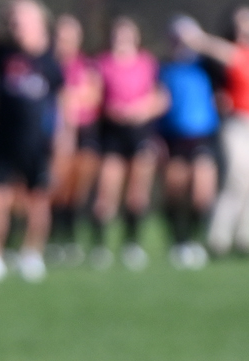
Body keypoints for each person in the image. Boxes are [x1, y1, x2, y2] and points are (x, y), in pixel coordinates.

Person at [0, 1, 62, 284]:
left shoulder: (51, 63)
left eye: (20, 20)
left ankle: (31, 254)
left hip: (38, 144)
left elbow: (62, 108)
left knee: (37, 201)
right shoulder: (1, 53)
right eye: (12, 20)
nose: (15, 25)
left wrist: (62, 145)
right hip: (3, 139)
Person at [179, 8, 249, 259]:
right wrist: (195, 36)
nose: (246, 34)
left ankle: (245, 240)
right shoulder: (233, 55)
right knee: (236, 183)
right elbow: (207, 46)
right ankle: (218, 241)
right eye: (241, 28)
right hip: (240, 127)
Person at [88, 17, 165, 271]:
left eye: (127, 35)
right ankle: (99, 245)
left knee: (137, 194)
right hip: (112, 134)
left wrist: (141, 110)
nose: (122, 40)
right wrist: (112, 109)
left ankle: (132, 243)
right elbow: (94, 95)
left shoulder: (147, 63)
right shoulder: (102, 63)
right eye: (118, 35)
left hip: (140, 133)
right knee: (106, 190)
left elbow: (160, 98)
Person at [158, 21, 219, 269]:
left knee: (201, 194)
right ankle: (177, 241)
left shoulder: (206, 66)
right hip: (172, 137)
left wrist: (201, 41)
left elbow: (233, 60)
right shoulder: (164, 69)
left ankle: (194, 240)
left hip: (202, 135)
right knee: (175, 191)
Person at [48, 14, 101, 264]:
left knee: (78, 192)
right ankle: (53, 240)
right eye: (60, 36)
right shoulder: (48, 65)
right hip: (54, 134)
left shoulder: (87, 66)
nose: (64, 42)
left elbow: (92, 96)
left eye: (69, 37)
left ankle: (74, 240)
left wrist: (69, 98)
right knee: (55, 190)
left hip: (84, 132)